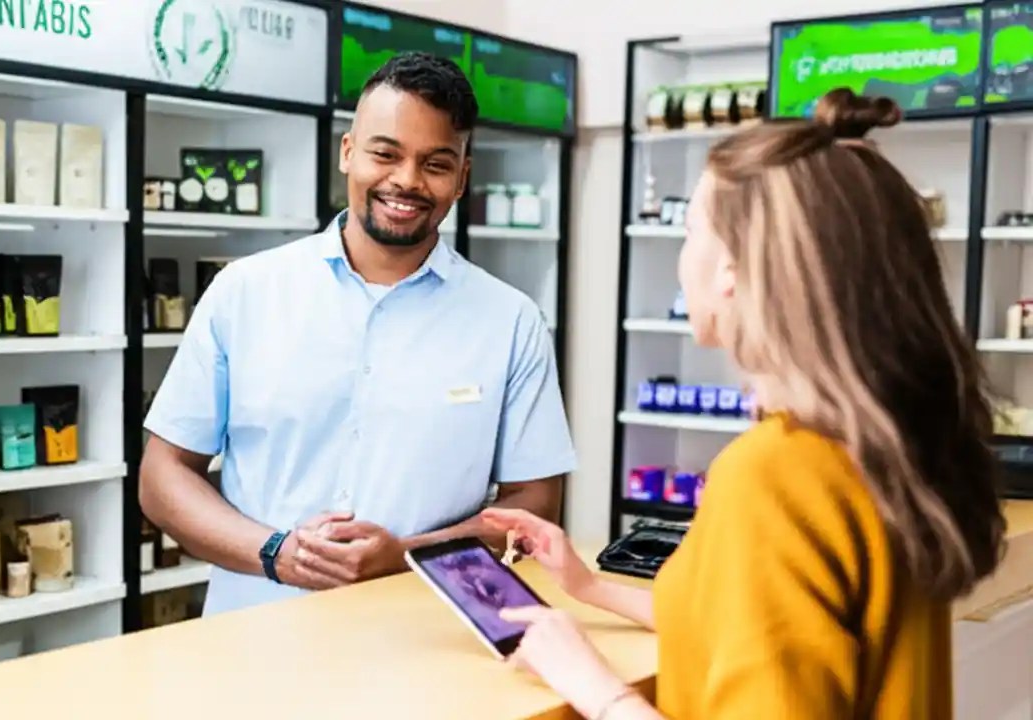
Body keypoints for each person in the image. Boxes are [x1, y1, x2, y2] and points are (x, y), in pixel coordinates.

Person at [483, 88, 1007, 720]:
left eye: (689, 232)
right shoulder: (882, 444)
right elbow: (755, 624)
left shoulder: (773, 479)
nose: (682, 259)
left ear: (730, 268)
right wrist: (588, 586)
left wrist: (591, 684)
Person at [139, 51, 576, 616]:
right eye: (385, 153)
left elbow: (534, 502)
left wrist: (407, 556)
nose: (407, 180)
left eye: (435, 163)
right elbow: (164, 475)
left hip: (428, 635)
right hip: (257, 636)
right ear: (348, 152)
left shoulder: (510, 321)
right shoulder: (245, 291)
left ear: (462, 178)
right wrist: (280, 555)